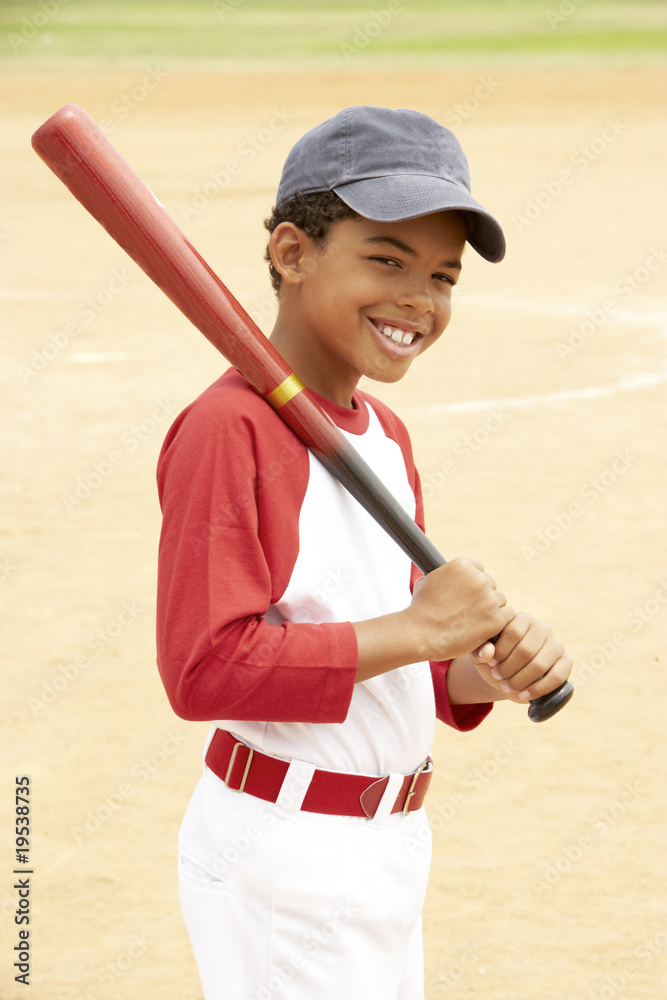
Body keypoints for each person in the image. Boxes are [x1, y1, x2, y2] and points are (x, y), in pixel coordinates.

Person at [155, 106, 572, 1000]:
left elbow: (389, 657)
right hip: (283, 848)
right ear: (292, 253)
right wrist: (423, 631)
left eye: (442, 276)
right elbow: (205, 670)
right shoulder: (229, 430)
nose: (418, 299)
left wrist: (471, 674)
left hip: (384, 842)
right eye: (385, 259)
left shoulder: (382, 434)